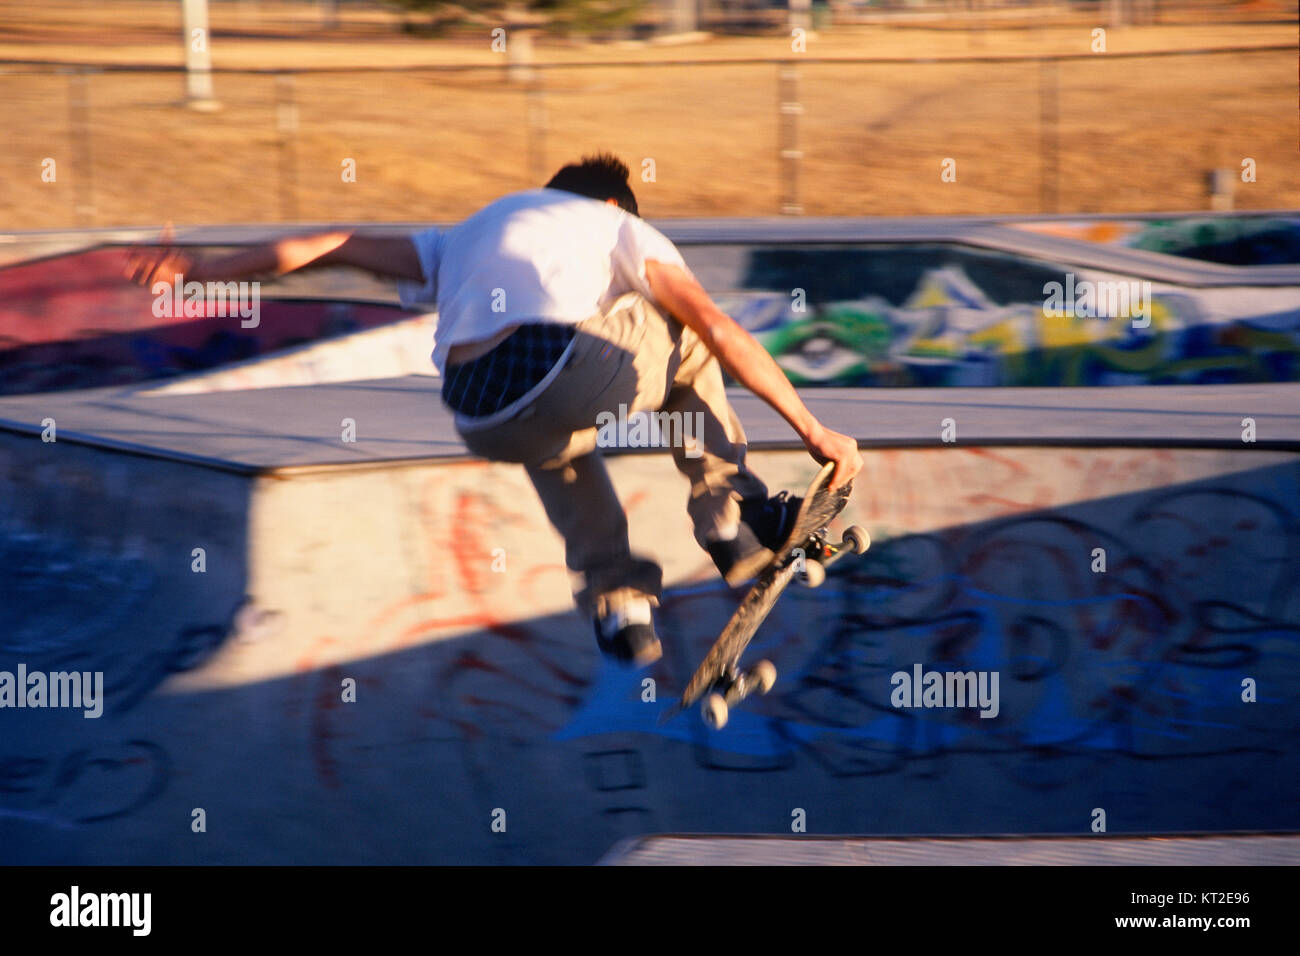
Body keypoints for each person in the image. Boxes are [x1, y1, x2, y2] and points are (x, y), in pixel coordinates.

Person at [128, 154, 862, 667]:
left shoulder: (462, 235)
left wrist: (200, 269)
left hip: (478, 408)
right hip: (553, 362)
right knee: (689, 337)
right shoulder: (620, 228)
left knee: (557, 446)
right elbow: (721, 328)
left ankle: (619, 605)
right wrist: (814, 429)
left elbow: (332, 244)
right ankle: (731, 516)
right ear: (612, 202)